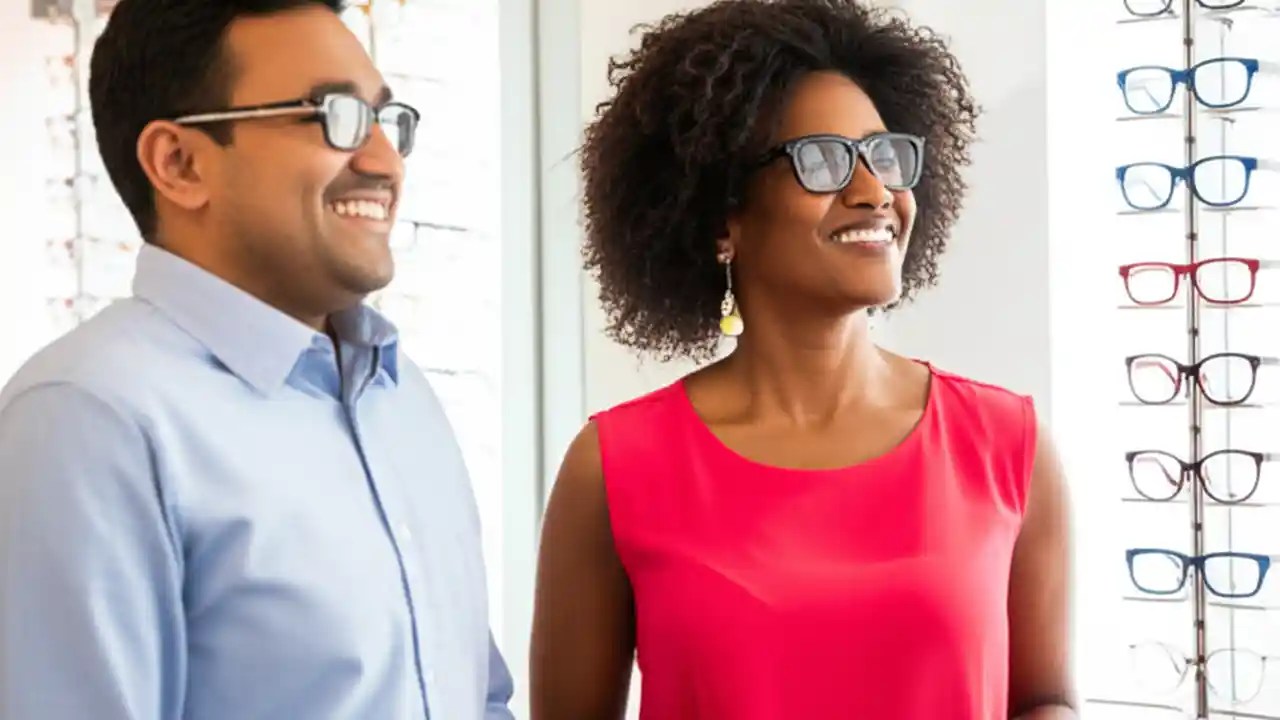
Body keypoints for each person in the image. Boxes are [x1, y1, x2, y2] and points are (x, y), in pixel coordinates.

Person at [529, 1, 1076, 719]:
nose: (874, 191)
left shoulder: (1008, 446)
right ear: (723, 213)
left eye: (886, 155)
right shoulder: (614, 468)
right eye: (821, 161)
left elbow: (1045, 699)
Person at [0, 1, 513, 719]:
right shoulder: (89, 420)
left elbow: (478, 700)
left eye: (384, 121)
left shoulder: (399, 396)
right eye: (333, 115)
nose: (383, 162)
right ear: (179, 163)